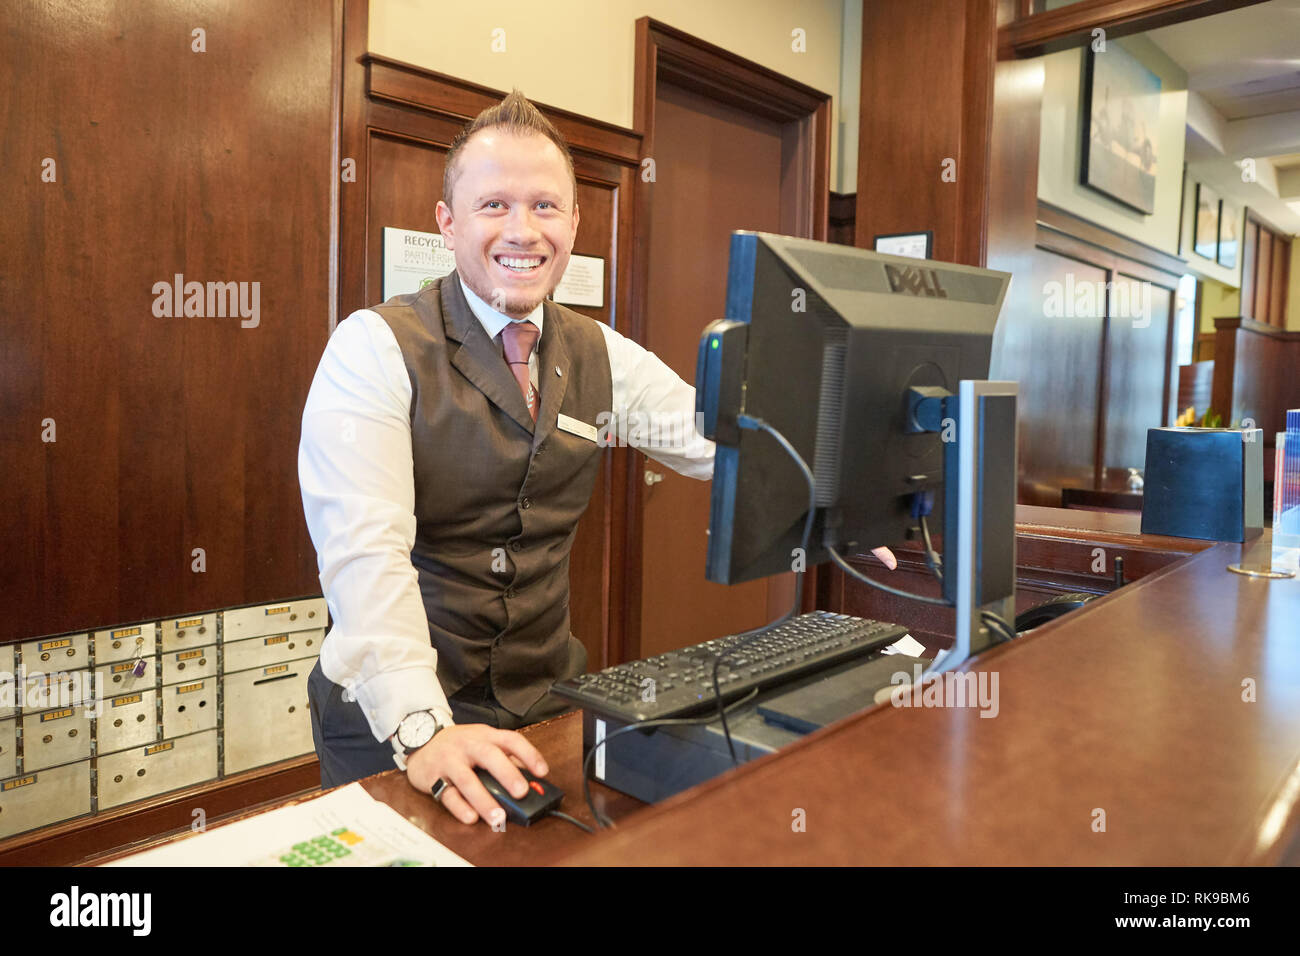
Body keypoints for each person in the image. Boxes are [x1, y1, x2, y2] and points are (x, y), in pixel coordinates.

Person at [298, 90, 894, 829]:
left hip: (545, 700)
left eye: (546, 207)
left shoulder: (597, 351)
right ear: (447, 224)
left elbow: (717, 435)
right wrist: (423, 729)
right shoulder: (374, 348)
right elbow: (365, 554)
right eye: (494, 206)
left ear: (575, 224)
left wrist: (833, 496)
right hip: (397, 714)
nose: (523, 230)